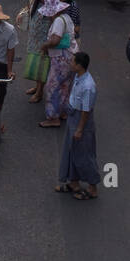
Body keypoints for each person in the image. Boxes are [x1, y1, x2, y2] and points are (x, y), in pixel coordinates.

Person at [56, 52, 99, 200]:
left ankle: (93, 188)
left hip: (81, 121)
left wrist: (80, 129)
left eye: (73, 62)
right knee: (70, 150)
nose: (71, 64)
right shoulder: (78, 77)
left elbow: (86, 111)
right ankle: (74, 183)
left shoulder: (88, 86)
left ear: (80, 66)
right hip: (73, 116)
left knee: (84, 155)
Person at [38, 0, 77, 127]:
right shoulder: (66, 18)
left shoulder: (58, 22)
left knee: (53, 86)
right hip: (71, 57)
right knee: (66, 86)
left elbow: (55, 40)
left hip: (61, 59)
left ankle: (53, 117)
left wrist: (44, 46)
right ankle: (63, 112)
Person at [15, 0, 52, 105]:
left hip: (44, 42)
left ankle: (40, 92)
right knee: (36, 65)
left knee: (42, 67)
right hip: (33, 40)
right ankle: (37, 87)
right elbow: (29, 8)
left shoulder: (52, 4)